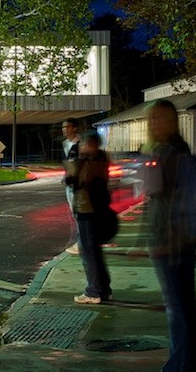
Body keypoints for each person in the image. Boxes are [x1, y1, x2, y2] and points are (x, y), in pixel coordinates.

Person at [145, 99, 196, 372]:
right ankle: (180, 363)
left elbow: (160, 195)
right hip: (179, 239)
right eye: (151, 118)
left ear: (172, 122)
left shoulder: (169, 153)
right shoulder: (178, 150)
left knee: (178, 308)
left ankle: (181, 365)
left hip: (172, 242)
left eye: (159, 118)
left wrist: (165, 240)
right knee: (182, 306)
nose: (153, 123)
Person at [66, 130, 112, 304]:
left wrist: (73, 173)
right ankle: (103, 289)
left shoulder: (92, 162)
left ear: (92, 144)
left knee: (89, 252)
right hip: (95, 210)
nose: (83, 146)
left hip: (88, 210)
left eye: (86, 143)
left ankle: (93, 292)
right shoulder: (100, 159)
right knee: (95, 252)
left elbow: (80, 182)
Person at [61, 119, 82, 254]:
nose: (65, 129)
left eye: (68, 127)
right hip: (69, 185)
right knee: (75, 215)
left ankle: (81, 243)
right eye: (63, 127)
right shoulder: (65, 144)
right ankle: (80, 241)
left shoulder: (80, 144)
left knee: (80, 214)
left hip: (79, 185)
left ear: (74, 128)